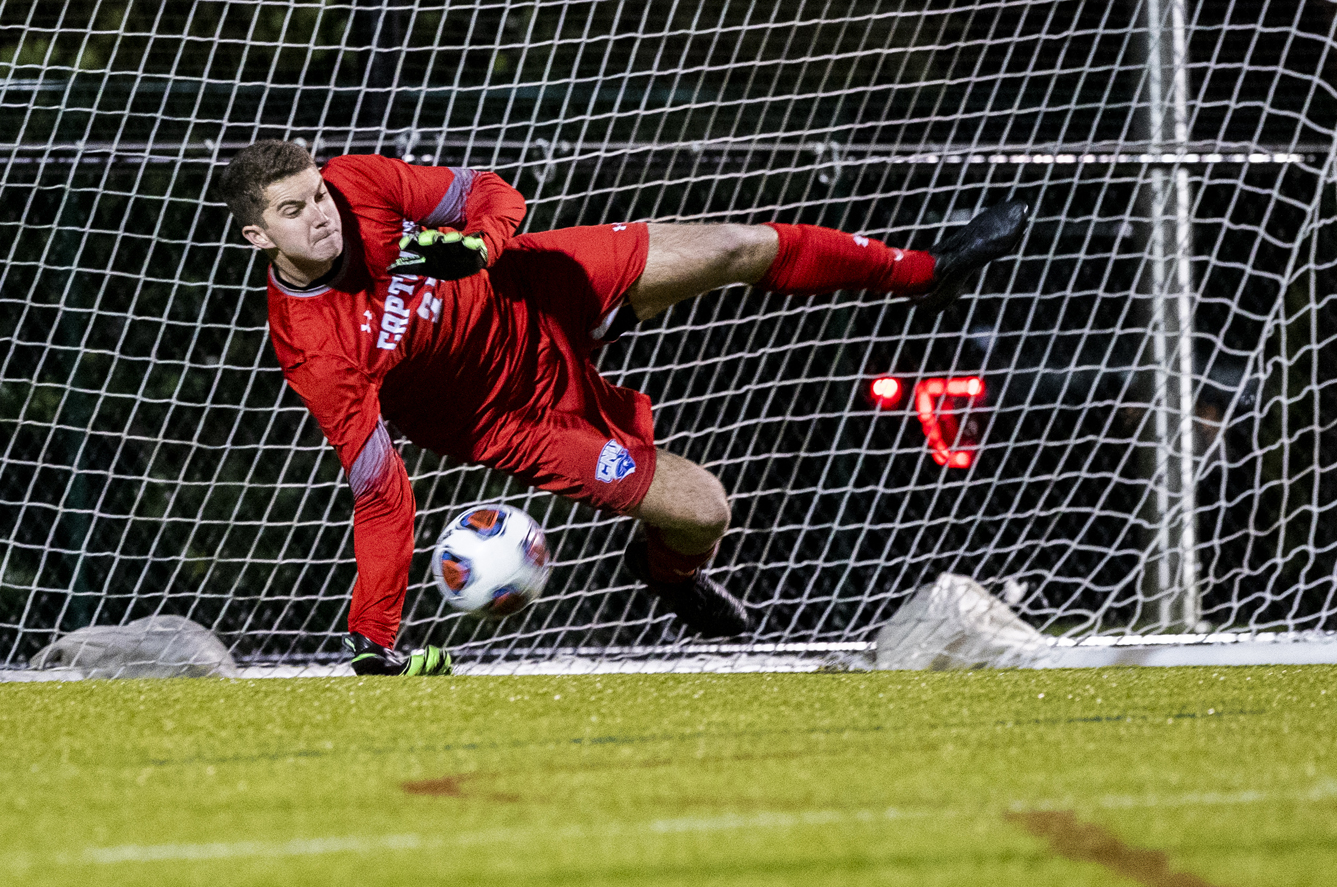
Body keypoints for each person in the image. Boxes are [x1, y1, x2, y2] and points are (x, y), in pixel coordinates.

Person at [224, 139, 1028, 675]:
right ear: (259, 238)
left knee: (735, 245)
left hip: (533, 285)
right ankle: (665, 570)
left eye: (317, 195)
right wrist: (374, 635)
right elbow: (379, 491)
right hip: (516, 418)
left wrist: (481, 245)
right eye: (293, 212)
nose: (320, 216)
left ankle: (926, 272)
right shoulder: (315, 350)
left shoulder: (360, 184)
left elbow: (494, 193)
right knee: (706, 512)